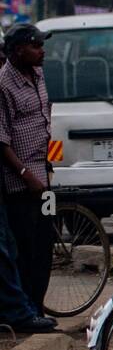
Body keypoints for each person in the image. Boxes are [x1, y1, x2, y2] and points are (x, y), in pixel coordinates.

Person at [0, 24, 58, 328]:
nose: (41, 50)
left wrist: (44, 170)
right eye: (36, 46)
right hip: (20, 184)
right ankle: (25, 313)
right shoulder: (3, 84)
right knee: (25, 246)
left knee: (45, 242)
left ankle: (38, 307)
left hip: (44, 180)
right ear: (19, 49)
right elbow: (2, 141)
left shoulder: (37, 74)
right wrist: (25, 174)